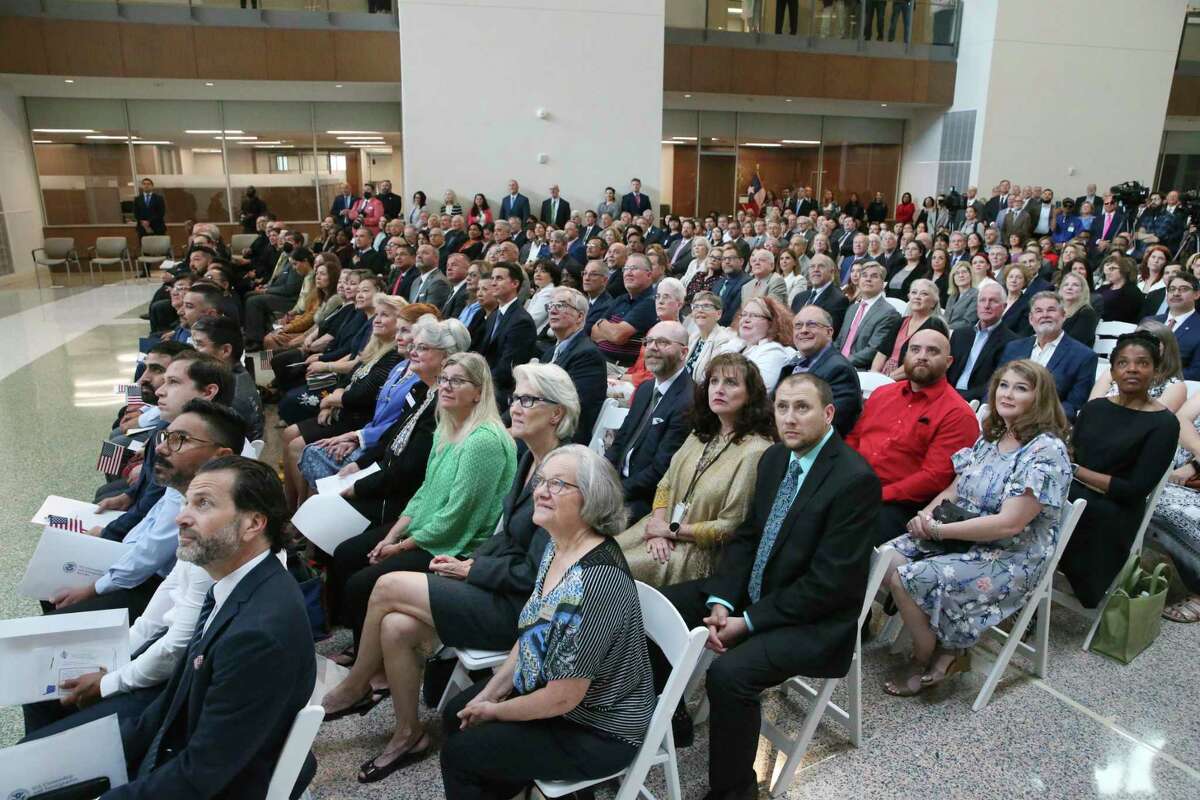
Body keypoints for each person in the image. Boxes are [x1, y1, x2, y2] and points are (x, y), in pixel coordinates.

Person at [322, 364, 579, 782]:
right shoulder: (529, 458)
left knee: (385, 584)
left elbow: (539, 574)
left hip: (522, 611)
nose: (514, 406)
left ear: (557, 414)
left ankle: (355, 687)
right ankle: (409, 734)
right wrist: (471, 566)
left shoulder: (565, 474)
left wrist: (473, 567)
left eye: (528, 399)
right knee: (397, 627)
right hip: (495, 583)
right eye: (515, 396)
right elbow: (505, 538)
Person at [657, 373, 880, 799]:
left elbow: (828, 584)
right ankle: (672, 720)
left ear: (828, 413)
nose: (790, 418)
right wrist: (723, 600)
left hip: (813, 619)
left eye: (802, 407)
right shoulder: (775, 459)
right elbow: (748, 537)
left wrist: (749, 622)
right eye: (782, 407)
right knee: (655, 611)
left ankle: (736, 792)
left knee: (729, 676)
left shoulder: (854, 480)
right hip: (755, 592)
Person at [438, 444, 653, 800]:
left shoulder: (595, 583)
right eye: (541, 481)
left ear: (591, 498)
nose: (540, 491)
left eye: (557, 484)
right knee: (454, 717)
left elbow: (562, 699)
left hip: (595, 729)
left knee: (461, 753)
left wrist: (497, 711)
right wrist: (492, 693)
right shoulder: (558, 545)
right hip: (553, 693)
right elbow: (531, 634)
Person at [104, 456, 316, 799]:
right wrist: (102, 753)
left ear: (252, 524)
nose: (181, 517)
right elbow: (174, 701)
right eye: (187, 502)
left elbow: (202, 775)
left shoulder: (258, 635)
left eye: (202, 504)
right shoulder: (237, 585)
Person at [881, 360, 1073, 696]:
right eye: (1004, 385)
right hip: (964, 530)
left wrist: (939, 532)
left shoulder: (1045, 451)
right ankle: (949, 645)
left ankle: (927, 654)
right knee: (888, 557)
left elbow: (1009, 524)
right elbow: (956, 488)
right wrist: (926, 516)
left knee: (909, 577)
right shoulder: (993, 437)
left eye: (1021, 388)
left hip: (1011, 553)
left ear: (1039, 399)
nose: (1008, 394)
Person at [339, 352, 517, 644]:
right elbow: (425, 492)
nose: (445, 386)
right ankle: (364, 646)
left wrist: (399, 548)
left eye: (457, 381)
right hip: (425, 527)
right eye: (444, 379)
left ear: (478, 393)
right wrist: (392, 536)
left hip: (455, 545)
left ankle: (372, 666)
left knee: (362, 583)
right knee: (348, 553)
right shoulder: (447, 427)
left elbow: (457, 519)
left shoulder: (483, 441)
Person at [616, 352, 774, 586]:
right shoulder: (701, 433)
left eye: (730, 383)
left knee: (611, 574)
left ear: (751, 395)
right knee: (594, 556)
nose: (719, 389)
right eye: (714, 381)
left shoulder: (756, 451)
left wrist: (669, 531)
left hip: (694, 552)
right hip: (657, 528)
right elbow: (665, 483)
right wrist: (658, 526)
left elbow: (730, 527)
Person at [1063, 332, 1180, 607]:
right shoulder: (1094, 409)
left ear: (1155, 371)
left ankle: (1032, 586)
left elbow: (1133, 490)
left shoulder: (1164, 424)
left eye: (1142, 363)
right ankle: (1027, 586)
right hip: (1075, 491)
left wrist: (1075, 470)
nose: (1132, 369)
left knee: (1054, 514)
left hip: (1113, 509)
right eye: (1123, 363)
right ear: (1113, 371)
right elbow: (1072, 452)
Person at [847, 329, 979, 543]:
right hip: (854, 484)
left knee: (844, 532)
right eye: (915, 349)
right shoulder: (882, 394)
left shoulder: (957, 414)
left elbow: (934, 478)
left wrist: (878, 494)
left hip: (897, 504)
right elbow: (854, 439)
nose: (922, 355)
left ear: (948, 362)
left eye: (932, 351)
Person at [606, 321, 694, 521]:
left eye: (663, 342)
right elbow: (621, 440)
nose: (652, 347)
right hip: (618, 484)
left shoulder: (688, 400)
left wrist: (613, 492)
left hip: (644, 501)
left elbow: (660, 471)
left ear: (683, 352)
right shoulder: (646, 388)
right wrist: (602, 475)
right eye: (649, 341)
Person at [998, 291, 1098, 420]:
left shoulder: (1084, 356)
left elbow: (1074, 405)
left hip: (1045, 423)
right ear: (1031, 319)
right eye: (1039, 311)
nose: (1045, 315)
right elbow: (996, 385)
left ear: (1063, 315)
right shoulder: (1013, 347)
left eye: (1051, 310)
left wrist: (1036, 417)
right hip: (1005, 418)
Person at [1147, 390, 1200, 623]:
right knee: (1142, 495)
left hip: (1190, 478)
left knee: (1167, 507)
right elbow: (1181, 418)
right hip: (1186, 471)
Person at [778, 305, 862, 435]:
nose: (803, 330)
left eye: (811, 325)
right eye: (798, 326)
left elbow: (827, 423)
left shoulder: (840, 370)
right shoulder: (793, 364)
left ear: (829, 332)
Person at [189, 315, 265, 441]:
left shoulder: (229, 397)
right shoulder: (233, 375)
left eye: (199, 344)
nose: (194, 352)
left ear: (225, 350)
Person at [479, 262, 537, 409]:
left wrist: (477, 383)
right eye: (492, 278)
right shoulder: (493, 316)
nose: (493, 283)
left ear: (515, 283)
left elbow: (507, 369)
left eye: (499, 278)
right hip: (485, 383)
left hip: (502, 392)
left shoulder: (521, 321)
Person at [872, 278, 949, 379]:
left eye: (924, 294)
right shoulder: (901, 321)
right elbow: (882, 352)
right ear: (909, 297)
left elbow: (919, 361)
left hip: (912, 378)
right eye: (914, 292)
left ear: (933, 303)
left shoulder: (935, 325)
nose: (917, 297)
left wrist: (887, 379)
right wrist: (874, 375)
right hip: (884, 376)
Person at [592, 252, 658, 367]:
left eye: (633, 268)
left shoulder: (651, 302)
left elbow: (618, 335)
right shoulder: (620, 299)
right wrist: (609, 330)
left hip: (621, 368)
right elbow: (594, 332)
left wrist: (602, 324)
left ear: (648, 274)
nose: (628, 273)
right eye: (626, 268)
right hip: (600, 360)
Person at [834, 262, 901, 369]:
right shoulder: (852, 309)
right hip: (838, 364)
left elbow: (872, 351)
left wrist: (840, 362)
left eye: (874, 276)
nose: (868, 279)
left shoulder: (889, 313)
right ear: (859, 281)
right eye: (864, 275)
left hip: (859, 370)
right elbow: (839, 341)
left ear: (883, 284)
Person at [724, 296, 796, 393]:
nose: (746, 320)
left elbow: (757, 392)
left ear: (772, 323)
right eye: (744, 314)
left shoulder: (773, 352)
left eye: (754, 315)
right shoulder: (737, 343)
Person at [1154, 272, 1200, 380]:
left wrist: (1159, 376)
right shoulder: (1149, 321)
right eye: (1172, 289)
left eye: (1183, 289)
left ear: (1197, 294)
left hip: (1176, 386)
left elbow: (1196, 372)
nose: (1176, 293)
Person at [790, 253, 850, 336]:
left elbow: (828, 335)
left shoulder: (839, 300)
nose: (816, 269)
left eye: (821, 266)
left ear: (831, 272)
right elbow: (789, 327)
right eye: (812, 266)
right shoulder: (799, 297)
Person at [683, 290, 738, 381]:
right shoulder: (693, 337)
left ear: (718, 314)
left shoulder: (724, 340)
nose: (700, 310)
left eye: (706, 306)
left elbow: (709, 378)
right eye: (696, 307)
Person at [1059, 269, 1100, 348]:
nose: (1069, 287)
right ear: (1061, 289)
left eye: (1075, 285)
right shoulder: (1056, 310)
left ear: (1082, 290)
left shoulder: (1087, 313)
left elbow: (1075, 342)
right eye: (1066, 284)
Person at [1097, 255, 1145, 323]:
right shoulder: (1104, 288)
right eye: (1109, 268)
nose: (1108, 272)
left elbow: (1124, 314)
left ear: (1124, 270)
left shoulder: (1132, 292)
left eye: (1112, 269)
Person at [945, 260, 980, 331]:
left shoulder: (976, 295)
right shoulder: (952, 296)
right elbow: (946, 318)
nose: (961, 275)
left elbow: (968, 322)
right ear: (953, 277)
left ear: (970, 275)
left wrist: (946, 328)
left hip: (962, 334)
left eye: (964, 272)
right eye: (957, 273)